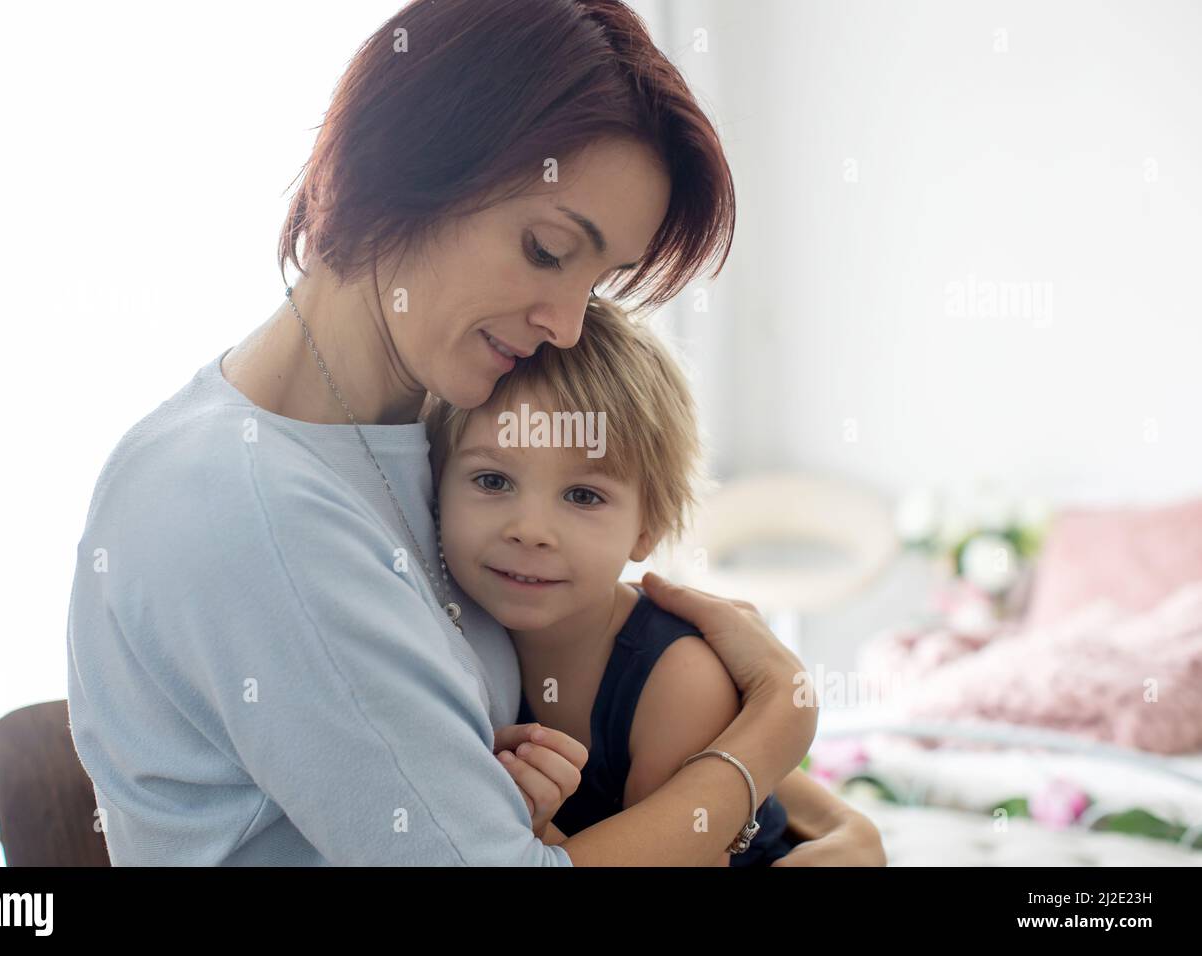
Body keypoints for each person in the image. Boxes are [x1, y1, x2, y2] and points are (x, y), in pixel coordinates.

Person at [66, 0, 884, 865]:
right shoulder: (241, 502)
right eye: (545, 248)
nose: (569, 324)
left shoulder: (436, 432)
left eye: (600, 278)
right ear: (405, 166)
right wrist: (772, 729)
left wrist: (830, 819)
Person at [424, 297, 881, 864]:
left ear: (649, 528)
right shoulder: (435, 633)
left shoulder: (677, 680)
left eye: (584, 495)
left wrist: (537, 838)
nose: (530, 530)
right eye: (492, 480)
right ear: (434, 488)